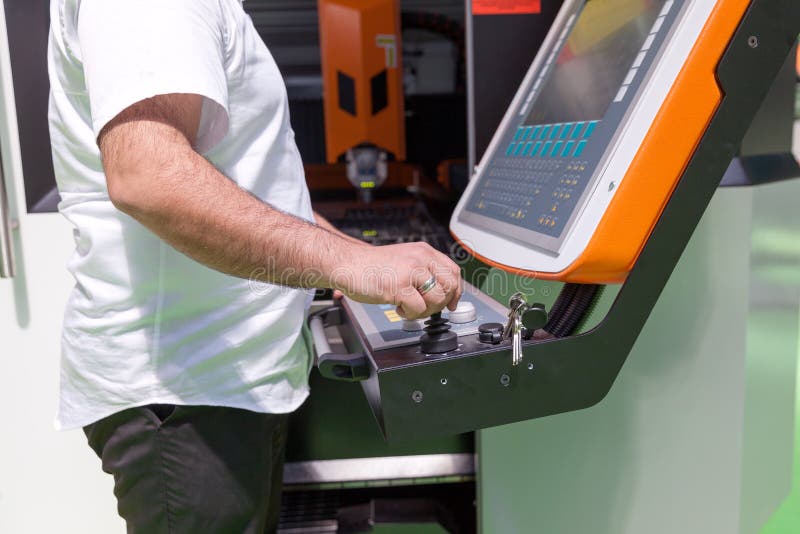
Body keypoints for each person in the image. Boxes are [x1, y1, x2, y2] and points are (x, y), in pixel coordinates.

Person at [47, 0, 462, 532]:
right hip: (187, 392)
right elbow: (149, 178)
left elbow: (252, 183)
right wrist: (349, 262)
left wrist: (347, 258)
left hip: (221, 384)